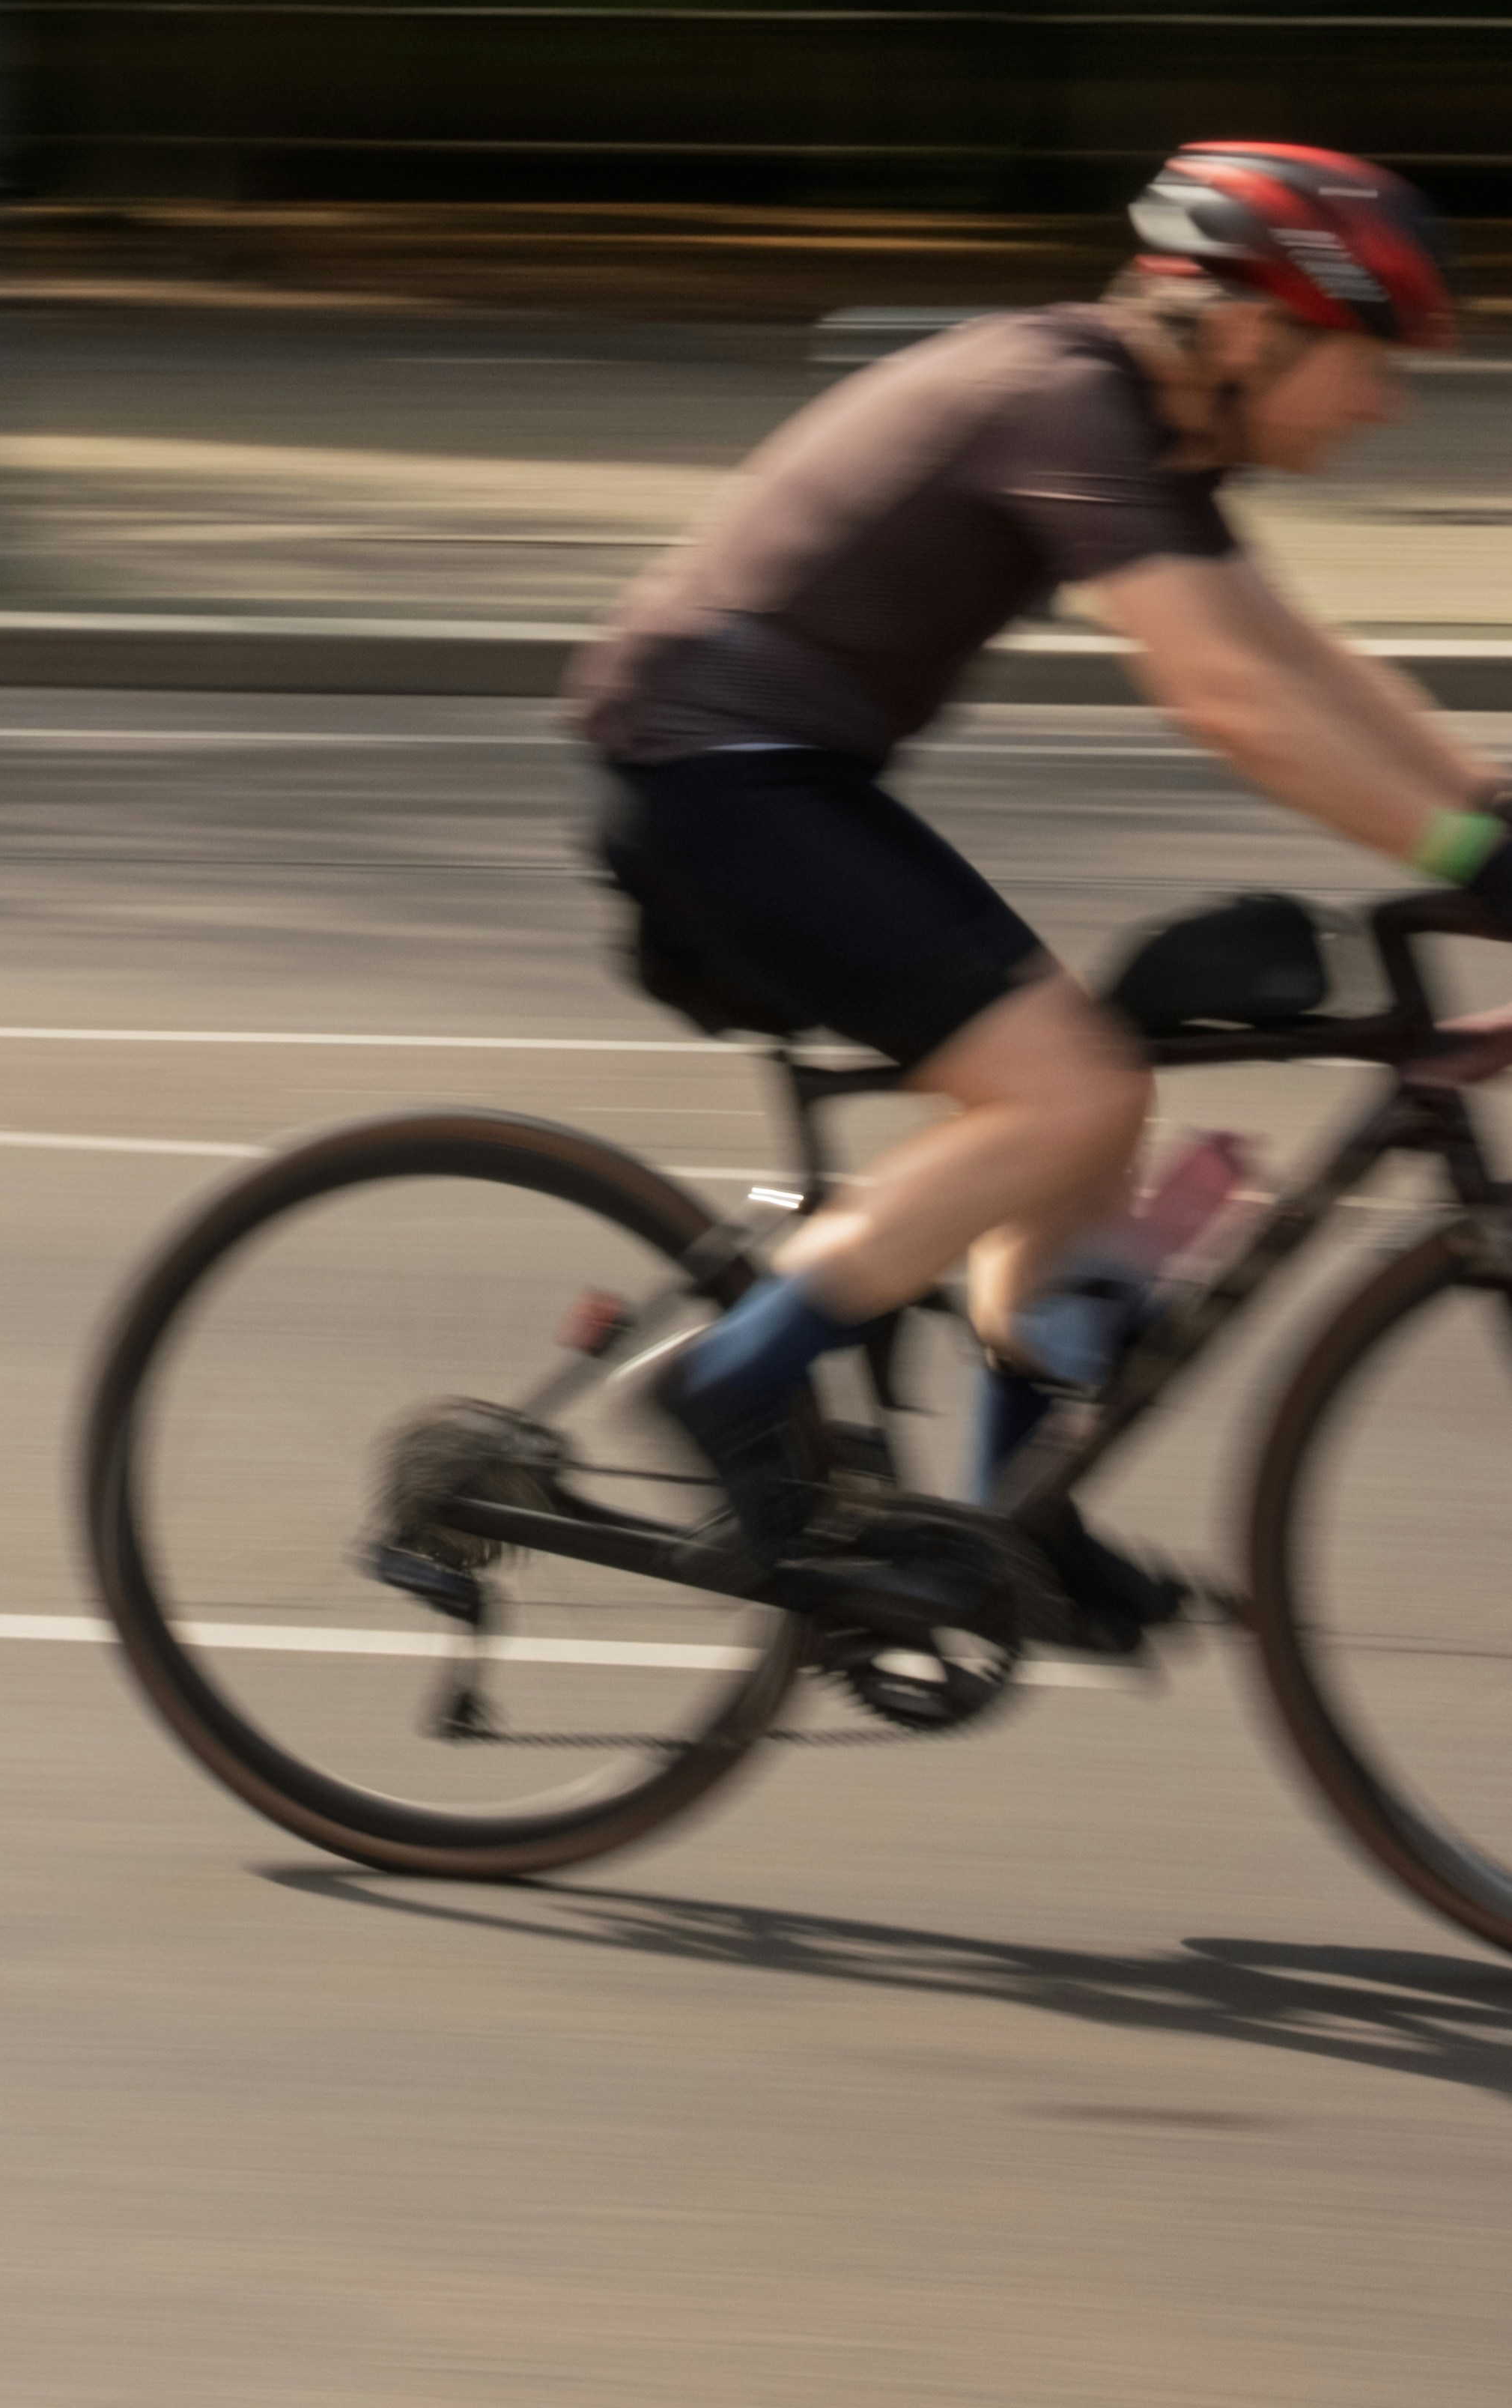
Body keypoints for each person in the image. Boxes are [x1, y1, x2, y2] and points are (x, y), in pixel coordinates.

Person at [568, 140, 1498, 1646]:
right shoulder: (1061, 393)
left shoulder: (1153, 428)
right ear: (1255, 327)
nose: (1385, 401)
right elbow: (1228, 700)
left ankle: (1018, 1513)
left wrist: (1492, 811)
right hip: (707, 772)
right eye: (1370, 359)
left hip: (785, 773)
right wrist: (1471, 860)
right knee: (1062, 1092)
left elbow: (1308, 663)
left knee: (1096, 1086)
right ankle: (726, 1375)